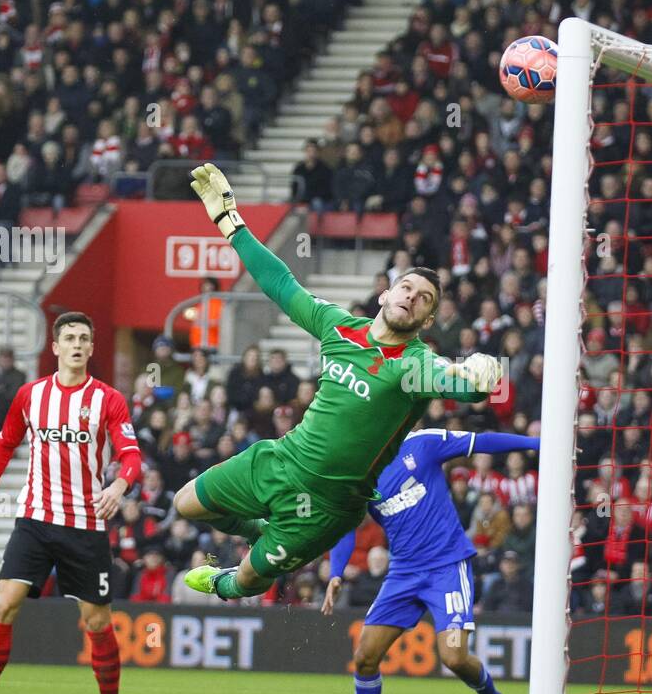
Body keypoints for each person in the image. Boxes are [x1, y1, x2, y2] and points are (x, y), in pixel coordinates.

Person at [174, 164, 502, 603]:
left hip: (326, 508)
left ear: (426, 320)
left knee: (250, 582)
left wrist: (481, 375)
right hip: (280, 461)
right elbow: (280, 283)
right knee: (187, 504)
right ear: (385, 294)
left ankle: (222, 581)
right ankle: (259, 532)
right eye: (406, 287)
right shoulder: (339, 328)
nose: (411, 297)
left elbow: (461, 384)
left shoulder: (414, 366)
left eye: (424, 299)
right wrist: (231, 223)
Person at [0, 311, 142, 694]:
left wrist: (119, 482)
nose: (77, 344)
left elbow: (132, 454)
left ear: (92, 348)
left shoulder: (109, 399)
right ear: (54, 347)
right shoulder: (30, 396)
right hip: (35, 520)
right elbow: (3, 446)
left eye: (84, 338)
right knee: (5, 604)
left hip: (86, 526)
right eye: (69, 337)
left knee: (96, 623)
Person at [320, 427, 538, 694]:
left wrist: (536, 444)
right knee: (365, 655)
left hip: (447, 567)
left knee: (454, 657)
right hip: (404, 574)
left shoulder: (421, 444)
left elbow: (483, 441)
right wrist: (336, 572)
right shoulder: (358, 478)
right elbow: (345, 528)